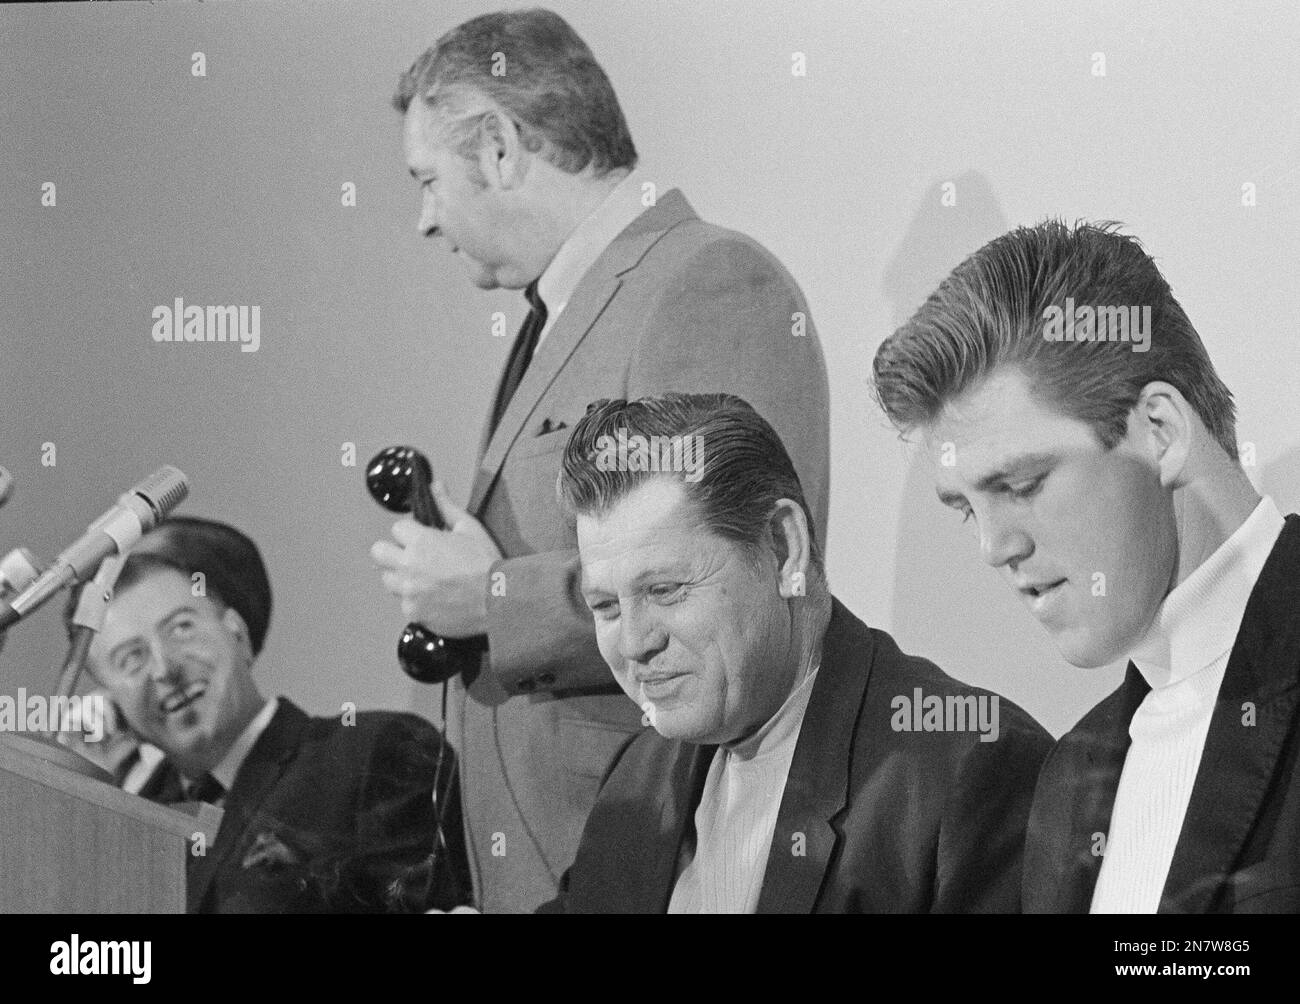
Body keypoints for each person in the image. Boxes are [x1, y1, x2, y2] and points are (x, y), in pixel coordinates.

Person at [375, 9, 830, 912]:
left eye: (428, 180)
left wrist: (489, 599)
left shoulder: (707, 280)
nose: (425, 220)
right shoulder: (557, 310)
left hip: (648, 852)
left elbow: (743, 585)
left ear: (500, 147)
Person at [872, 219, 1300, 913]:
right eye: (967, 509)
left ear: (1159, 431)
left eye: (1022, 485)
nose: (994, 547)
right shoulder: (1068, 782)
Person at [543, 393, 1049, 912]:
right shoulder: (636, 778)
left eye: (665, 590)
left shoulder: (972, 767)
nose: (634, 643)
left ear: (784, 550)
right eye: (606, 606)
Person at [75, 516, 470, 914]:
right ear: (110, 699)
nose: (164, 669)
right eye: (131, 658)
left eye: (181, 628)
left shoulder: (375, 754)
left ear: (237, 630)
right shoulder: (128, 827)